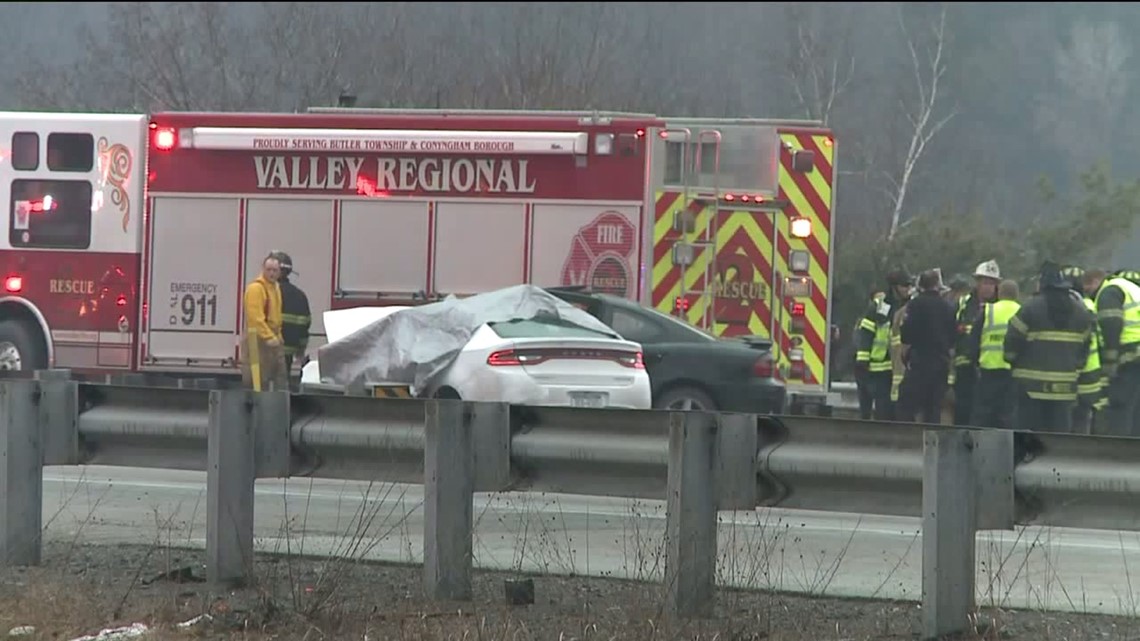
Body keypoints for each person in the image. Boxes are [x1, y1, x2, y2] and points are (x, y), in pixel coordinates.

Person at [1003, 262, 1094, 433]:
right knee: (1058, 439)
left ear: (1043, 283)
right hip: (1064, 389)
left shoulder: (1030, 308)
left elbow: (1012, 343)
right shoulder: (1081, 312)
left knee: (1027, 438)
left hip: (1029, 388)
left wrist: (1011, 360)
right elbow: (1085, 348)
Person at [1083, 268, 1140, 436]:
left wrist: (1110, 362)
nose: (1087, 291)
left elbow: (1112, 325)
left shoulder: (1108, 292)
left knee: (1120, 406)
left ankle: (1119, 450)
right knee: (1136, 409)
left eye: (1087, 286)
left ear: (1095, 281)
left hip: (1129, 356)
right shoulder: (1130, 288)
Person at [898, 268, 958, 424]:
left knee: (908, 402)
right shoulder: (948, 307)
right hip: (941, 364)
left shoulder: (915, 305)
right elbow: (953, 337)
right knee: (934, 407)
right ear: (937, 285)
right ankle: (932, 441)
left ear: (921, 285)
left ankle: (908, 438)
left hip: (920, 363)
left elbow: (906, 333)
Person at [951, 260, 1001, 426]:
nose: (987, 287)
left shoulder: (1000, 307)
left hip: (990, 370)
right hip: (964, 368)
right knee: (963, 410)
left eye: (991, 283)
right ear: (977, 283)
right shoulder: (962, 305)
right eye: (984, 282)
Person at [969, 279, 1020, 429]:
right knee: (1008, 415)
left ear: (999, 293)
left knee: (983, 414)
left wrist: (975, 361)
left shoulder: (988, 311)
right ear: (1016, 295)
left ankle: (977, 447)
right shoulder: (1022, 311)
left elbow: (974, 340)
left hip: (989, 370)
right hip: (1013, 371)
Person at [1061, 266, 1104, 433]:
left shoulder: (1063, 307)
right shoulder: (1091, 305)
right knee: (1085, 415)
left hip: (1069, 369)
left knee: (1069, 416)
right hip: (1092, 370)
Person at [242, 254, 288, 392]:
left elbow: (276, 316)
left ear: (280, 272)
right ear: (263, 269)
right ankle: (257, 406)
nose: (272, 273)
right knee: (258, 381)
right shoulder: (256, 289)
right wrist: (269, 337)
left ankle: (278, 405)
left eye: (275, 270)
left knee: (279, 377)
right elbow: (255, 319)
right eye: (269, 269)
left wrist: (278, 337)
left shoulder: (275, 288)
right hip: (258, 340)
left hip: (273, 338)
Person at [272, 251, 312, 386]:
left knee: (264, 393)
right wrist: (300, 351)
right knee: (282, 389)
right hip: (287, 355)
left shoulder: (263, 293)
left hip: (265, 353)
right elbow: (304, 327)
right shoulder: (300, 296)